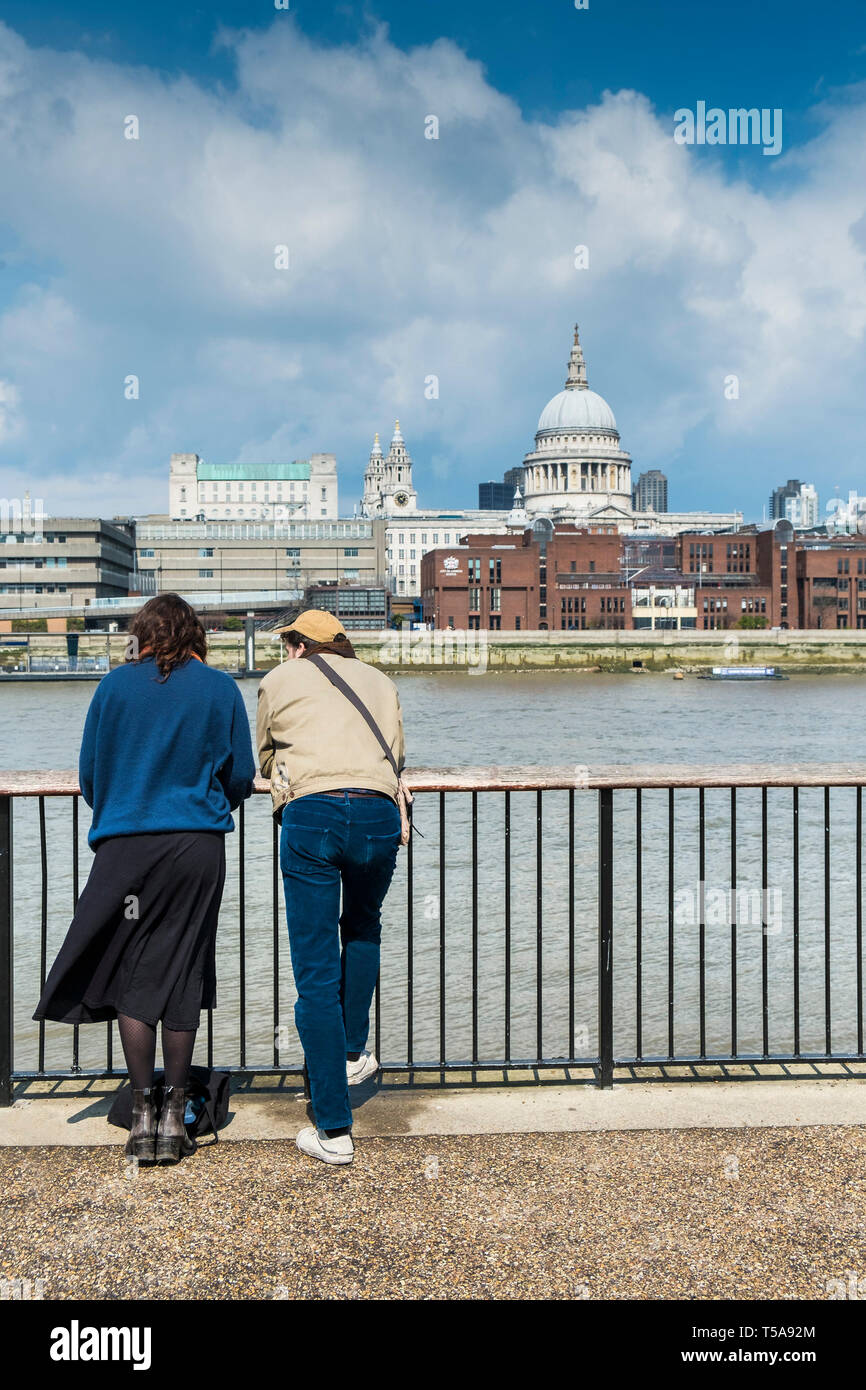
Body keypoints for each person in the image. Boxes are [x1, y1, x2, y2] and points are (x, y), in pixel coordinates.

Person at [34, 594, 255, 1164]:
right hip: (195, 848)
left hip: (126, 849)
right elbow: (242, 776)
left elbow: (89, 774)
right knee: (182, 969)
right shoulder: (220, 688)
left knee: (134, 968)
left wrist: (127, 808)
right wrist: (205, 804)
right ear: (194, 635)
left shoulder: (113, 687)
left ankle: (140, 1118)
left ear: (142, 634)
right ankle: (177, 1120)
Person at [257, 609, 405, 1165]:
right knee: (363, 925)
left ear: (298, 645)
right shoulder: (381, 681)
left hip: (313, 816)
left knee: (315, 971)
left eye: (288, 643)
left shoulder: (277, 681)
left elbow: (267, 755)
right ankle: (350, 1051)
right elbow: (396, 754)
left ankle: (334, 1128)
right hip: (376, 816)